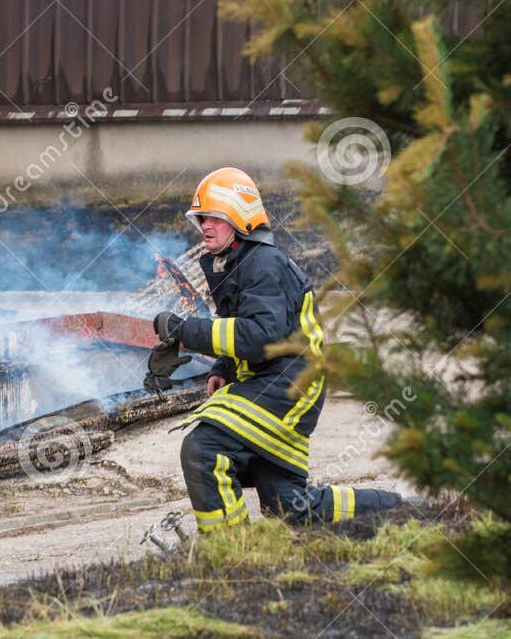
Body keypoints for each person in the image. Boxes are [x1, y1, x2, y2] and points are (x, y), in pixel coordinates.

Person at [152, 167, 403, 536]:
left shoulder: (264, 264)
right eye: (201, 218)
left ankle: (230, 550)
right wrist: (224, 365)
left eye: (215, 217)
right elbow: (244, 326)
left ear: (239, 217)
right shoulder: (236, 263)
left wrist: (184, 330)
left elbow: (261, 336)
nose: (205, 225)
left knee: (204, 447)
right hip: (278, 382)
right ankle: (400, 512)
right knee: (290, 508)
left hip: (290, 383)